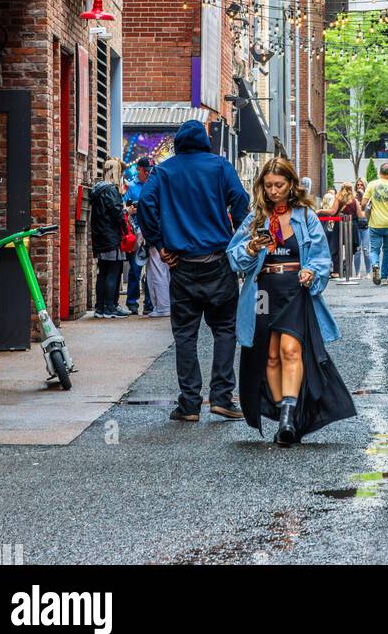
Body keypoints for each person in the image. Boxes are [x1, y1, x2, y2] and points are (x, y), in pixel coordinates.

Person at [228, 155, 356, 447]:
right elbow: (234, 258)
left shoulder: (306, 216)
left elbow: (321, 258)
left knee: (290, 350)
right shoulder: (255, 218)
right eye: (268, 185)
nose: (273, 191)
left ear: (291, 184)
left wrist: (312, 272)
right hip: (263, 292)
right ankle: (285, 413)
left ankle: (287, 420)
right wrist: (250, 249)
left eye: (279, 185)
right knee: (270, 355)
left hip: (295, 290)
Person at [138, 119, 250, 424]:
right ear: (204, 142)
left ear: (178, 143)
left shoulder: (164, 171)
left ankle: (189, 404)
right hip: (218, 262)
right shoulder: (220, 166)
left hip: (182, 265)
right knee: (225, 329)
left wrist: (159, 243)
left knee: (185, 335)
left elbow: (145, 204)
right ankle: (222, 397)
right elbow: (240, 201)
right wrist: (237, 236)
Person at [89, 180, 129, 318]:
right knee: (113, 272)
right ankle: (110, 307)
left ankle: (100, 308)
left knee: (103, 273)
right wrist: (125, 221)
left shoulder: (97, 193)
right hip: (111, 238)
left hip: (99, 238)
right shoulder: (111, 190)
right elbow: (118, 213)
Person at [125, 157, 154, 315]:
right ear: (139, 169)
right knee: (135, 269)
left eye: (150, 171)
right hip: (136, 232)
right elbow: (124, 209)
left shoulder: (153, 185)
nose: (148, 174)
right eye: (146, 171)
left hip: (150, 232)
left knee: (151, 270)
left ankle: (149, 304)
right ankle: (132, 302)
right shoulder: (131, 187)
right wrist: (132, 210)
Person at [334, 183, 361, 277]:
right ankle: (347, 268)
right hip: (352, 225)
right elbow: (360, 215)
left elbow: (333, 211)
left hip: (339, 224)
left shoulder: (338, 199)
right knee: (350, 248)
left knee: (337, 247)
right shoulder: (354, 201)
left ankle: (338, 270)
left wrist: (321, 211)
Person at [354, 177, 373, 276]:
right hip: (356, 226)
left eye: (361, 185)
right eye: (358, 185)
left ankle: (368, 272)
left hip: (366, 226)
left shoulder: (369, 198)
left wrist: (363, 196)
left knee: (366, 250)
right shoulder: (353, 198)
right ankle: (357, 273)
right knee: (357, 250)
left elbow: (367, 211)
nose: (359, 186)